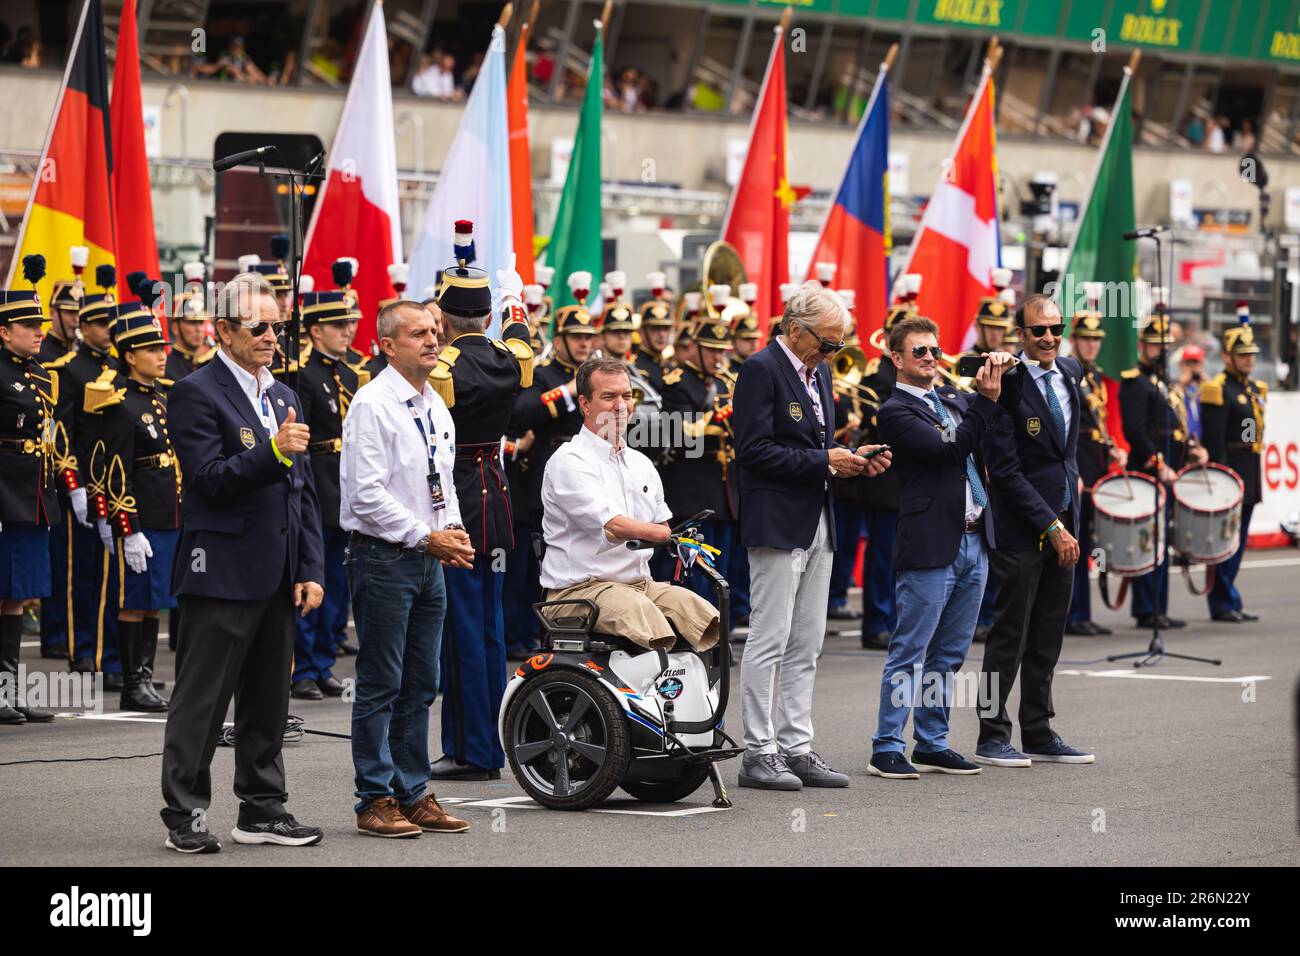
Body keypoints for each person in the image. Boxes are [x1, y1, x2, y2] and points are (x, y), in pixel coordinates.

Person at [159, 272, 325, 854]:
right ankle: (184, 811)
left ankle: (261, 808)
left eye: (276, 326)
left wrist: (310, 567)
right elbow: (206, 481)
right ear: (223, 329)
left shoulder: (282, 394)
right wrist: (273, 452)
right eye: (258, 327)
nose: (270, 337)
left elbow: (300, 492)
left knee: (267, 701)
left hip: (277, 569)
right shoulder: (196, 391)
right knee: (202, 699)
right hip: (222, 568)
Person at [732, 280, 891, 790]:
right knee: (769, 638)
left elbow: (815, 448)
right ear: (794, 330)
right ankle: (759, 749)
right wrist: (825, 461)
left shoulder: (817, 374)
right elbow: (753, 452)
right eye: (826, 343)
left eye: (839, 344)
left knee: (807, 642)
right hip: (777, 521)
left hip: (818, 516)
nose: (832, 353)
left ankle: (796, 745)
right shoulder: (761, 369)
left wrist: (850, 464)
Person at [340, 299, 474, 837]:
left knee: (422, 681)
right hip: (384, 558)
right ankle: (374, 797)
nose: (433, 340)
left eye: (435, 331)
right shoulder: (372, 405)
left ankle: (412, 791)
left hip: (427, 558)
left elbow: (442, 484)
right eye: (419, 333)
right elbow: (365, 494)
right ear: (388, 345)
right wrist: (428, 536)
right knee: (380, 682)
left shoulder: (434, 404)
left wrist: (455, 532)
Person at [871, 316, 1013, 778]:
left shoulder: (953, 397)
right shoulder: (895, 410)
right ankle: (887, 743)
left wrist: (1004, 372)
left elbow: (992, 427)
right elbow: (947, 448)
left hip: (974, 539)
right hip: (931, 542)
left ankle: (932, 741)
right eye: (919, 352)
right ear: (896, 358)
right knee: (910, 649)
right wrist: (984, 403)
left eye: (934, 350)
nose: (931, 359)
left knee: (950, 654)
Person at [427, 231, 534, 782]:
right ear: (488, 316)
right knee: (489, 628)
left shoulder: (442, 368)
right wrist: (513, 297)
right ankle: (493, 740)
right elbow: (520, 338)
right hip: (496, 497)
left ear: (442, 319)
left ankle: (472, 750)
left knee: (461, 631)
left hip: (456, 500)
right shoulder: (510, 359)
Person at [977, 293, 1093, 768]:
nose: (1048, 338)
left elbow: (1065, 454)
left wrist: (1067, 518)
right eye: (1037, 331)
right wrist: (1051, 524)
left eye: (1054, 329)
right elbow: (1003, 471)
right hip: (1023, 525)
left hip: (1066, 516)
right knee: (1009, 632)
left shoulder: (1071, 373)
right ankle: (990, 734)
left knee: (1048, 631)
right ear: (1020, 335)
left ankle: (1039, 730)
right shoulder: (1005, 380)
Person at [540, 356, 719, 652]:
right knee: (645, 617)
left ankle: (691, 693)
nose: (621, 405)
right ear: (585, 404)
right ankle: (660, 690)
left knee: (703, 614)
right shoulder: (569, 460)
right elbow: (615, 526)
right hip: (579, 591)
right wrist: (664, 535)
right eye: (609, 397)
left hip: (639, 584)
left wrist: (671, 534)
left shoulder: (641, 463)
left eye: (627, 395)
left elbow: (662, 524)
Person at [85, 301, 179, 712]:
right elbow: (113, 470)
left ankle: (143, 674)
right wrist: (127, 525)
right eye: (151, 348)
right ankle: (130, 682)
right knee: (133, 599)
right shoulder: (120, 403)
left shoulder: (160, 398)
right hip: (139, 516)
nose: (161, 354)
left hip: (166, 512)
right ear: (129, 356)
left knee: (154, 598)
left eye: (162, 347)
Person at [290, 290, 358, 700]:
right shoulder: (301, 374)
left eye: (349, 324)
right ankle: (300, 669)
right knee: (309, 577)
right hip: (315, 480)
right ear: (316, 330)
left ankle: (322, 663)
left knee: (335, 579)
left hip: (343, 484)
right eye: (338, 325)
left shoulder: (349, 375)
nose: (347, 331)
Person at [1119, 310, 1207, 629]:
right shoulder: (1135, 384)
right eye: (1156, 345)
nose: (1162, 351)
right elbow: (1136, 433)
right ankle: (1147, 608)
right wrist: (1160, 466)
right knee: (1149, 540)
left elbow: (1177, 426)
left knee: (1162, 540)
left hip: (1171, 468)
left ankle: (1159, 606)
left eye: (1166, 345)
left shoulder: (1163, 383)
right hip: (1150, 470)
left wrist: (1193, 450)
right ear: (1143, 346)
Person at [0, 256, 58, 724]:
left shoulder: (39, 374)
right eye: (27, 325)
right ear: (4, 330)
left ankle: (9, 689)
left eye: (39, 324)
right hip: (3, 489)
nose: (38, 331)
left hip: (32, 490)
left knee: (18, 593)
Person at [660, 301, 739, 614]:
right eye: (712, 350)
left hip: (724, 493)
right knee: (694, 574)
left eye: (722, 351)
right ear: (694, 348)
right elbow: (681, 434)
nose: (719, 358)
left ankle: (722, 631)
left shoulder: (723, 382)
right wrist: (722, 418)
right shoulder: (677, 383)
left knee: (724, 570)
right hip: (692, 492)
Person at [1064, 292, 1125, 636]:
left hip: (1097, 465)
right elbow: (1067, 427)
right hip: (1079, 469)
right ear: (1074, 340)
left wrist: (1113, 448)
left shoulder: (1097, 377)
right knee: (1075, 542)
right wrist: (1074, 473)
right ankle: (1073, 614)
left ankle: (1083, 612)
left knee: (1090, 541)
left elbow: (1097, 423)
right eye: (1085, 339)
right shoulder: (1067, 373)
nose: (1091, 345)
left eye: (1095, 340)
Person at [1199, 314, 1266, 623]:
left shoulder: (1254, 388)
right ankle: (1222, 602)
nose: (1249, 359)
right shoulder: (1218, 389)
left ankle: (1231, 597)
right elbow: (1215, 439)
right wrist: (1223, 476)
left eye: (1251, 354)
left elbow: (1252, 433)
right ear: (1227, 356)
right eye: (1242, 354)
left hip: (1250, 466)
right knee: (1226, 540)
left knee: (1239, 541)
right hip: (1230, 469)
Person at [166, 264, 216, 382]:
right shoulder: (165, 368)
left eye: (200, 322)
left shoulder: (211, 364)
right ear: (175, 328)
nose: (199, 329)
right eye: (192, 323)